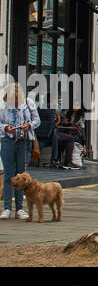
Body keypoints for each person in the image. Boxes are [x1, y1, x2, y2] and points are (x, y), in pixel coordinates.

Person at [1, 83, 40, 219]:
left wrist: (28, 125)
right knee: (8, 175)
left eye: (17, 99)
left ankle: (19, 208)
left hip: (24, 142)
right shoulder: (3, 105)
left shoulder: (28, 103)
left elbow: (37, 120)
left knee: (22, 176)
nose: (15, 102)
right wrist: (6, 127)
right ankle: (6, 208)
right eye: (13, 99)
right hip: (8, 141)